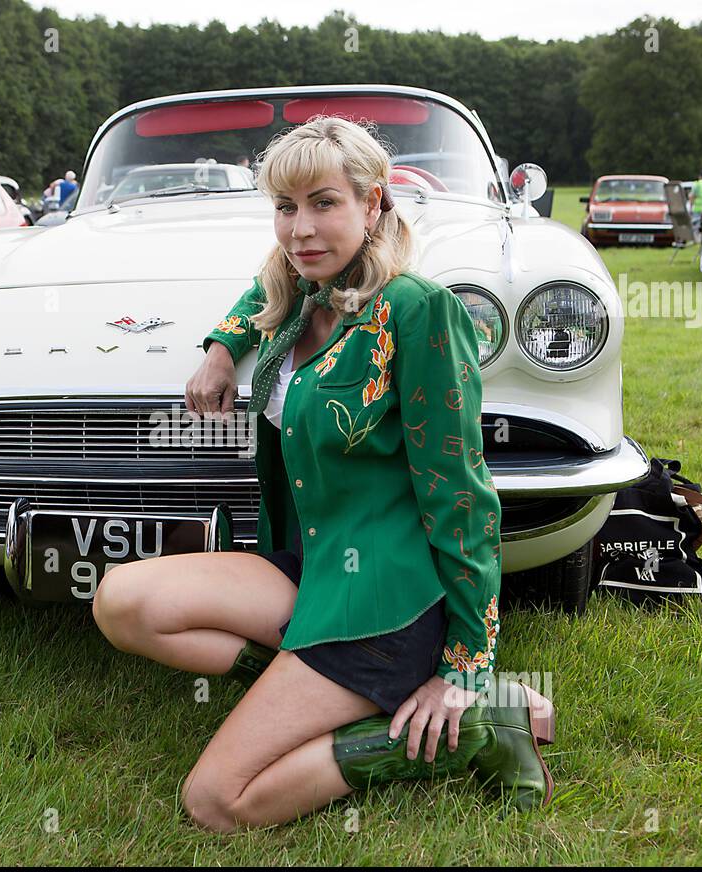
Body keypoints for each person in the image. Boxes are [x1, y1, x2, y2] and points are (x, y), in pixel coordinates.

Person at [92, 116, 554, 833]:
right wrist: (221, 347)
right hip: (311, 571)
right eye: (284, 207)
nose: (300, 228)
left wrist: (464, 665)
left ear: (373, 204)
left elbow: (462, 496)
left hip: (383, 603)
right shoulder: (299, 296)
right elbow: (263, 288)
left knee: (217, 802)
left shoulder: (418, 312)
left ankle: (470, 727)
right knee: (122, 600)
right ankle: (342, 693)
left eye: (324, 203)